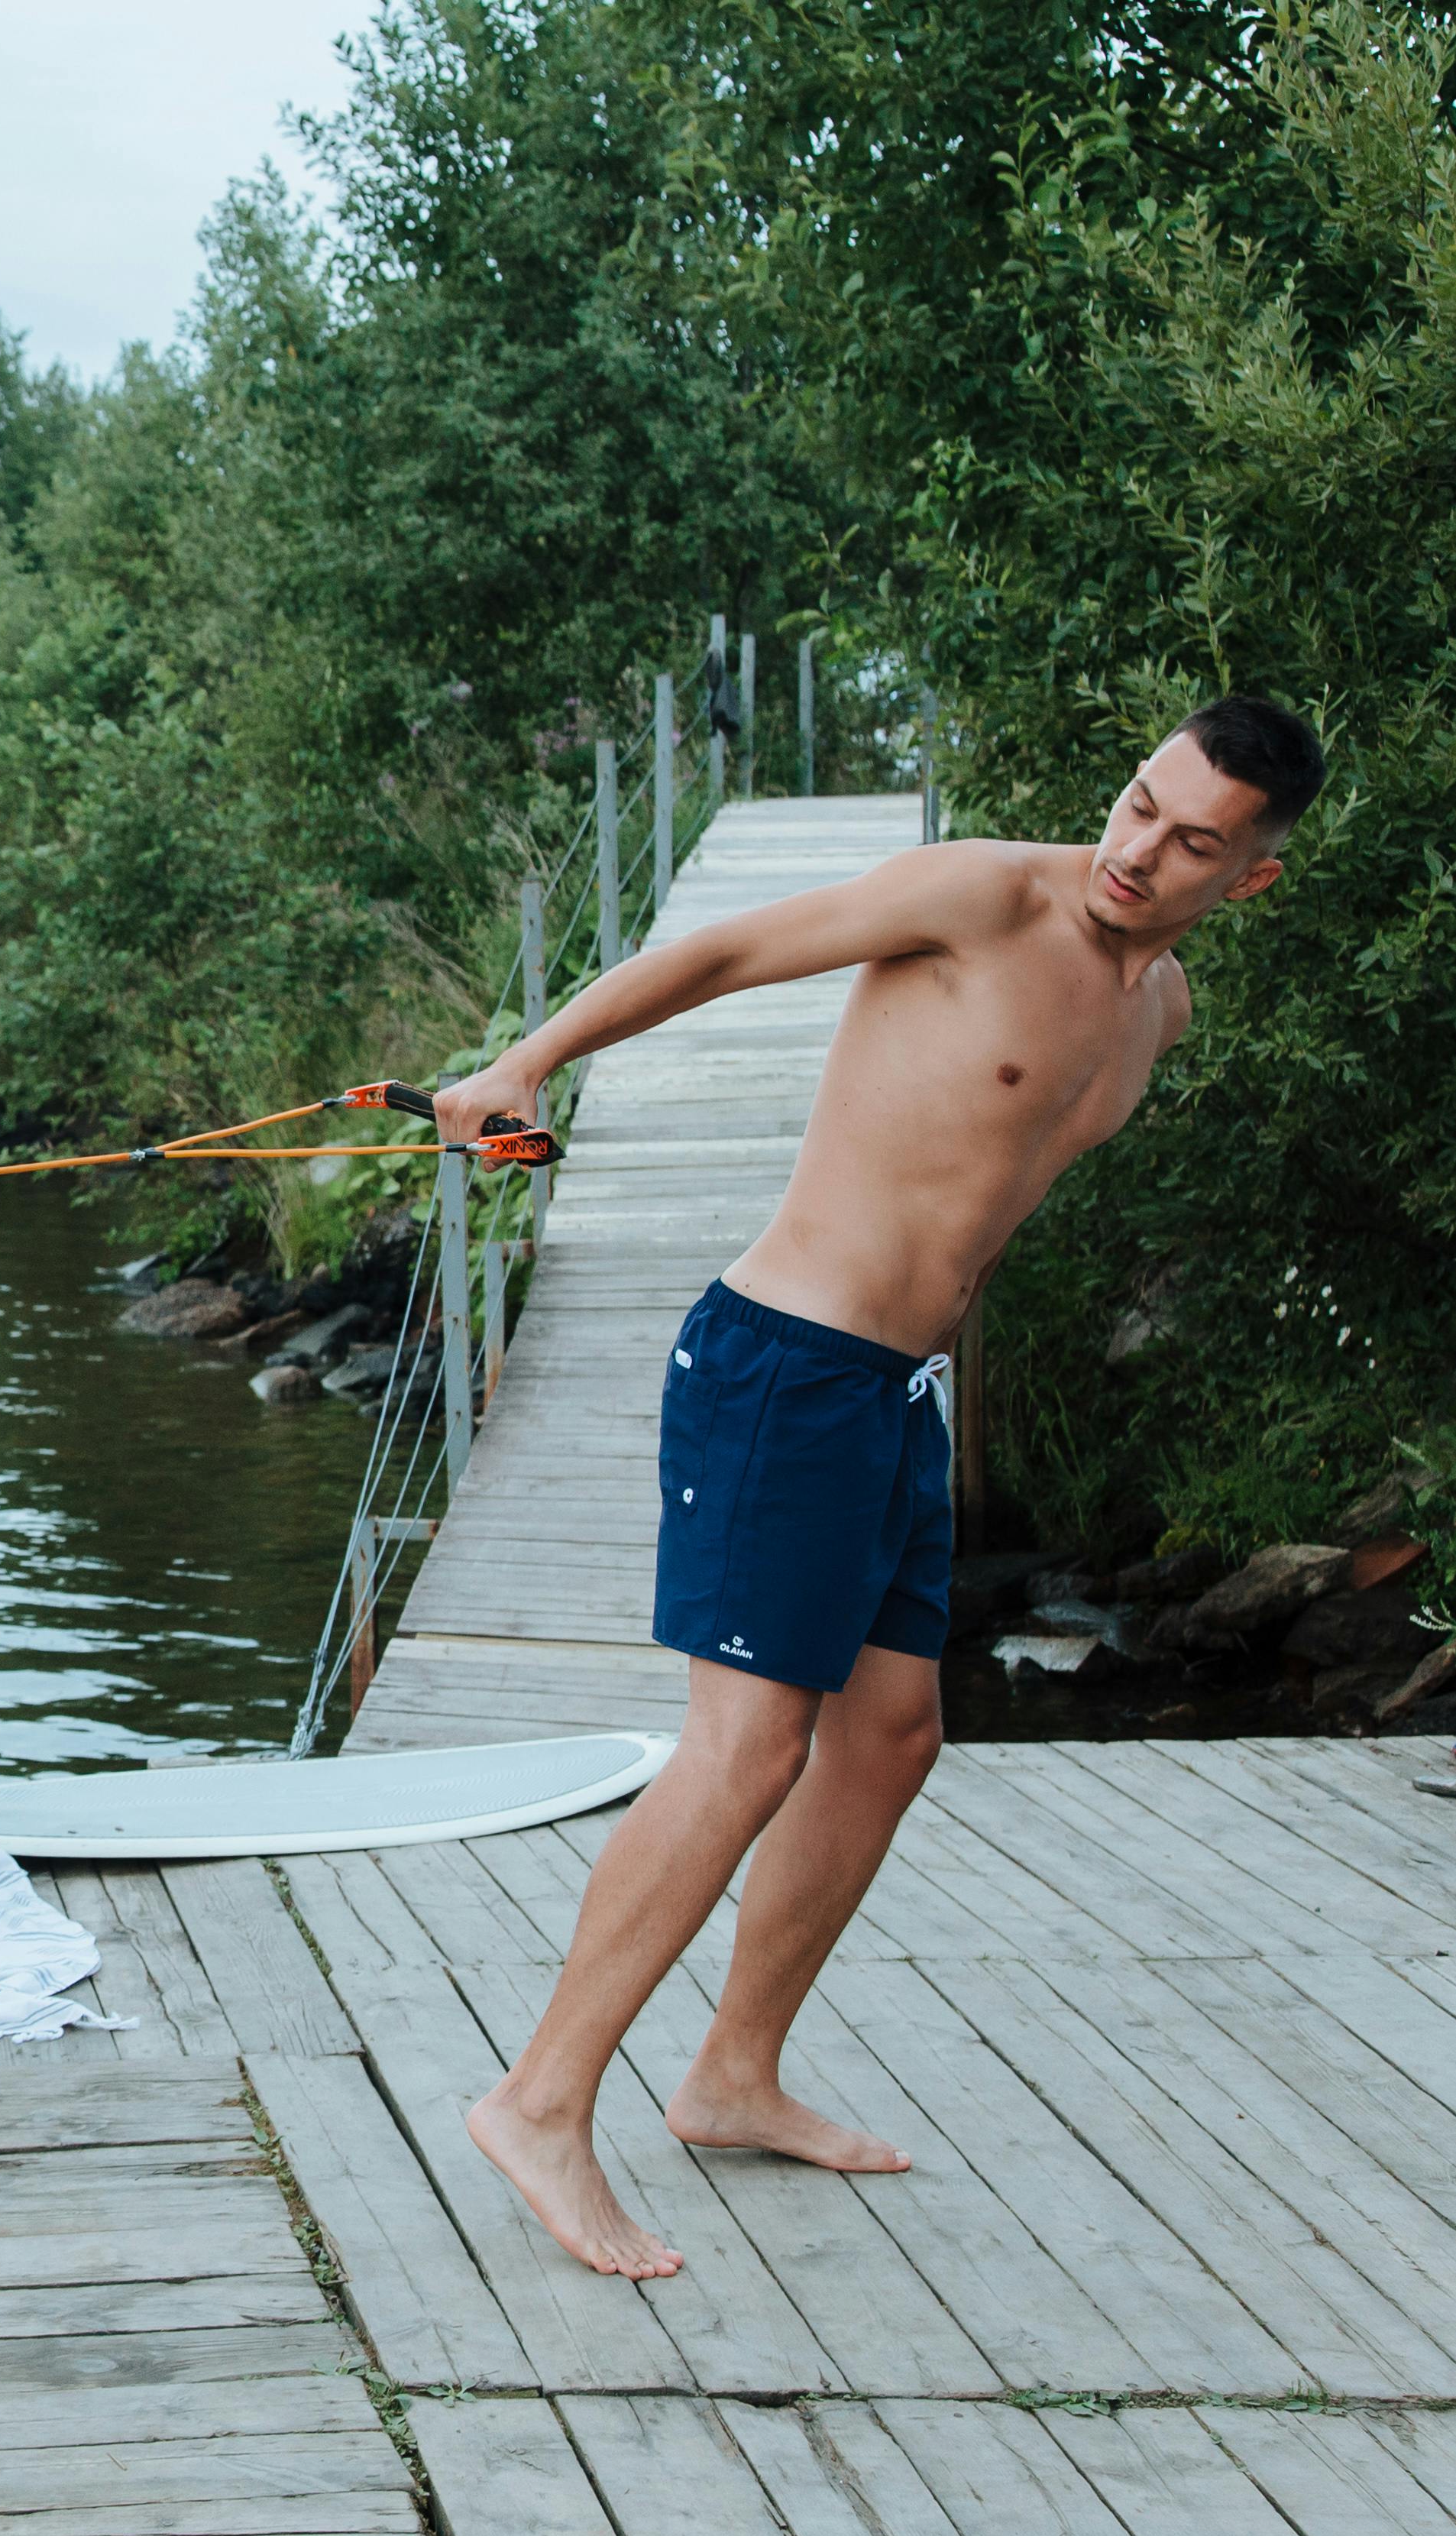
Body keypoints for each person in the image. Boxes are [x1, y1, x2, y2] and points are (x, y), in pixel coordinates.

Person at [442, 694, 1325, 2281]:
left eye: (1191, 841)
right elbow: (723, 952)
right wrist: (528, 1057)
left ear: (1248, 877)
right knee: (746, 1748)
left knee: (893, 1733)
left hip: (898, 1394)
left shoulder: (1157, 1007)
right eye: (1137, 802)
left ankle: (730, 2074)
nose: (1136, 849)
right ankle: (539, 2097)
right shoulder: (984, 892)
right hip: (785, 1364)